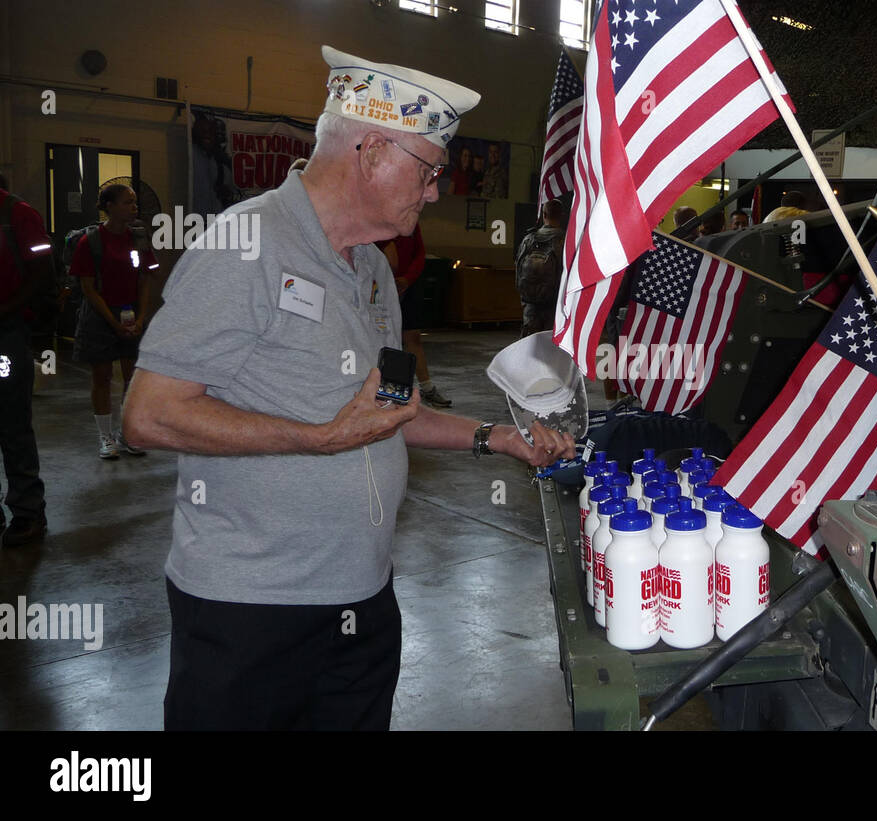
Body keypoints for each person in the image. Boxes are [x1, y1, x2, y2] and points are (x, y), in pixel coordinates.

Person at [124, 45, 576, 731]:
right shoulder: (245, 244)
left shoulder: (369, 267)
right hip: (252, 613)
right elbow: (149, 415)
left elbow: (386, 413)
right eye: (428, 171)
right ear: (370, 152)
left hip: (363, 602)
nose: (434, 192)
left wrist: (498, 438)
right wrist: (318, 438)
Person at [70, 184, 159, 459]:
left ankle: (127, 434)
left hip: (131, 313)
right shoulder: (91, 242)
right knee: (102, 377)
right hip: (99, 316)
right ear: (108, 206)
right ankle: (105, 436)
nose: (133, 207)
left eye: (134, 202)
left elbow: (146, 278)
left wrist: (141, 316)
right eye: (126, 202)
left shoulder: (140, 238)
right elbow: (88, 288)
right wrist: (112, 321)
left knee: (132, 378)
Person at [0, 174, 50, 548]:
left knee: (12, 422)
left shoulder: (18, 214)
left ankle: (28, 513)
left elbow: (40, 273)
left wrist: (7, 311)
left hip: (6, 332)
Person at [377, 224, 452, 407]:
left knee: (413, 337)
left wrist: (407, 279)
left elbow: (419, 254)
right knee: (388, 339)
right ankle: (390, 391)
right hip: (383, 286)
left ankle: (426, 389)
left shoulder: (412, 223)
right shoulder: (380, 223)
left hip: (407, 286)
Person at [515, 198, 566, 337]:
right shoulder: (566, 241)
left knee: (529, 345)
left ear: (543, 215)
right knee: (550, 346)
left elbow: (518, 270)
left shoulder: (529, 239)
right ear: (561, 215)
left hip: (530, 304)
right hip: (554, 305)